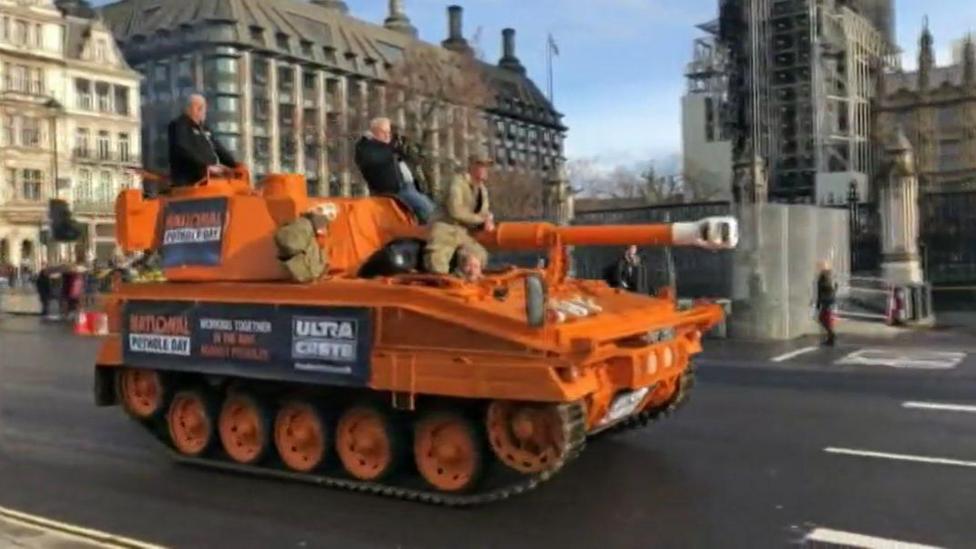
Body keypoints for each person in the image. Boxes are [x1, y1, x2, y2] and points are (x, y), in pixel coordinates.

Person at [354, 117, 436, 224]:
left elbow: (411, 157)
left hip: (411, 186)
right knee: (430, 210)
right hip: (395, 190)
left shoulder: (390, 145)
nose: (388, 135)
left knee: (431, 207)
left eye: (389, 132)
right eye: (384, 132)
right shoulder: (366, 147)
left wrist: (409, 150)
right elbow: (375, 159)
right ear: (375, 132)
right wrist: (392, 147)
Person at [424, 152, 494, 275]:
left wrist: (488, 220)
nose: (484, 169)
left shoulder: (482, 190)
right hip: (445, 228)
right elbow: (455, 210)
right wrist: (481, 219)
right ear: (471, 166)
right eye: (480, 165)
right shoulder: (457, 182)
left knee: (479, 256)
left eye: (487, 166)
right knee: (437, 265)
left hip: (463, 233)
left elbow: (484, 213)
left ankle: (464, 278)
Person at [167, 94, 239, 188]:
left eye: (203, 108)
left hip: (212, 179)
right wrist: (205, 166)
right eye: (200, 107)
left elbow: (219, 149)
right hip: (190, 181)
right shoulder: (179, 125)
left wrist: (235, 165)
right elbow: (182, 149)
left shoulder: (205, 129)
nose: (203, 111)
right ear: (191, 108)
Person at [815, 260, 837, 346]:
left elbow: (823, 290)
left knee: (823, 318)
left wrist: (819, 303)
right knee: (825, 318)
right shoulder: (827, 275)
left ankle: (831, 335)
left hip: (826, 301)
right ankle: (830, 336)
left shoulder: (824, 276)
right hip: (828, 300)